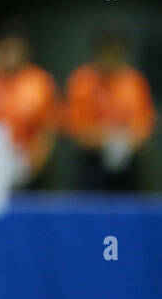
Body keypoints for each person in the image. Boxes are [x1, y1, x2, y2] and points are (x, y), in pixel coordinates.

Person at [0, 24, 60, 188]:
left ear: (25, 50)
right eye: (5, 48)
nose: (10, 54)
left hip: (30, 170)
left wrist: (31, 165)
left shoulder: (41, 83)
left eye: (15, 48)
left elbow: (48, 130)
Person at [64, 33, 155, 192]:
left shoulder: (134, 82)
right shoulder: (82, 81)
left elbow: (144, 126)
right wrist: (108, 139)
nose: (109, 60)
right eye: (105, 54)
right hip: (92, 162)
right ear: (96, 54)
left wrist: (124, 141)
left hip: (128, 161)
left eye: (115, 54)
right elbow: (77, 129)